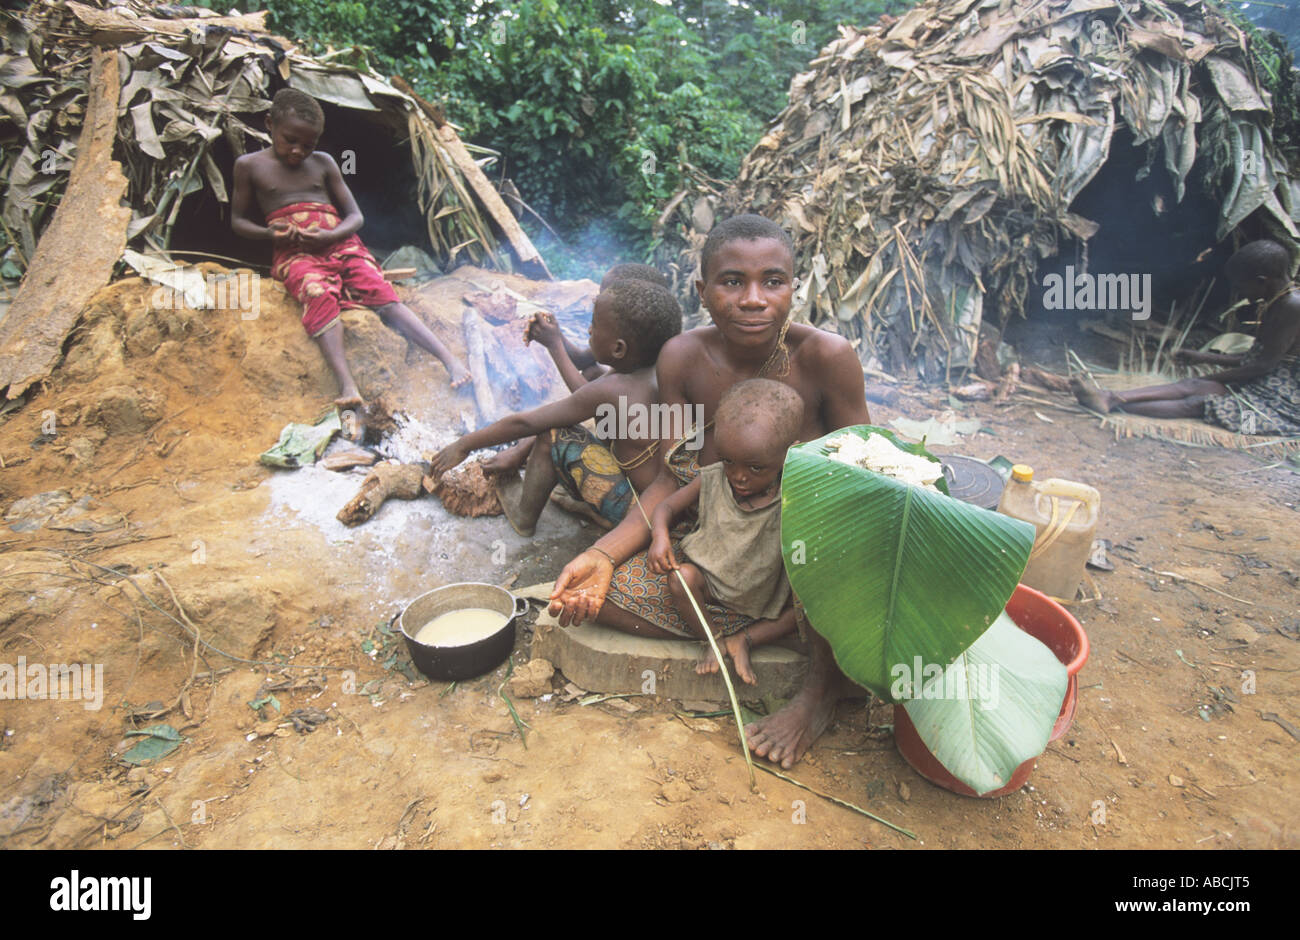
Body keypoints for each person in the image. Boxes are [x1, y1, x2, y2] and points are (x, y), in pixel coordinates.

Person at [547, 213, 872, 769]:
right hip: (724, 539)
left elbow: (865, 477)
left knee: (834, 540)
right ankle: (747, 631)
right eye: (731, 282)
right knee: (589, 603)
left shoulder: (825, 358)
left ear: (794, 288)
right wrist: (601, 555)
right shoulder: (683, 358)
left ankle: (819, 691)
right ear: (702, 290)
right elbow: (677, 481)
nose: (753, 299)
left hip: (807, 551)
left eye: (772, 281)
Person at [231, 88, 471, 408]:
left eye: (309, 144)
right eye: (290, 140)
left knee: (379, 289)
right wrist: (269, 234)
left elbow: (356, 217)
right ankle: (347, 386)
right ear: (269, 123)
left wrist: (330, 236)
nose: (298, 151)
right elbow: (237, 222)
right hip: (294, 252)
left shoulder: (324, 163)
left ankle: (448, 359)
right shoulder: (249, 166)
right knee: (317, 293)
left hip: (341, 243)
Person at [429, 278, 682, 536]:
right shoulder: (665, 372)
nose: (589, 331)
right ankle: (596, 509)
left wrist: (464, 445)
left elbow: (525, 423)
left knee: (553, 435)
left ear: (619, 348)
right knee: (598, 421)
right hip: (672, 506)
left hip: (641, 511)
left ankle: (523, 517)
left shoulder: (613, 389)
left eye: (593, 325)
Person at [648, 379, 802, 685]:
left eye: (756, 468)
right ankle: (713, 638)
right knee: (680, 580)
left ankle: (746, 639)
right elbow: (665, 508)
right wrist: (659, 537)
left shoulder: (794, 493)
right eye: (729, 461)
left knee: (808, 610)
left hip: (762, 598)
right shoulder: (714, 478)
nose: (739, 477)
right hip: (709, 584)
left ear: (789, 455)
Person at [1071, 240, 1300, 433]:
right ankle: (1109, 397)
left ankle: (1116, 405)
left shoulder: (1292, 307)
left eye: (1242, 285)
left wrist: (1217, 378)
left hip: (1281, 408)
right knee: (1192, 384)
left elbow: (1262, 366)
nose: (1239, 292)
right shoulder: (1275, 301)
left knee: (1201, 404)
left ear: (1262, 281)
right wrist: (1201, 357)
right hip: (1257, 386)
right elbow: (1253, 359)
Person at [483, 263, 672, 479]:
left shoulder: (654, 352)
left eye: (605, 296)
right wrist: (555, 335)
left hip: (639, 464)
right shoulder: (634, 335)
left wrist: (554, 346)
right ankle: (524, 451)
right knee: (591, 372)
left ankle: (528, 455)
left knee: (556, 419)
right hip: (620, 419)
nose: (597, 303)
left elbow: (591, 401)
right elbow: (583, 359)